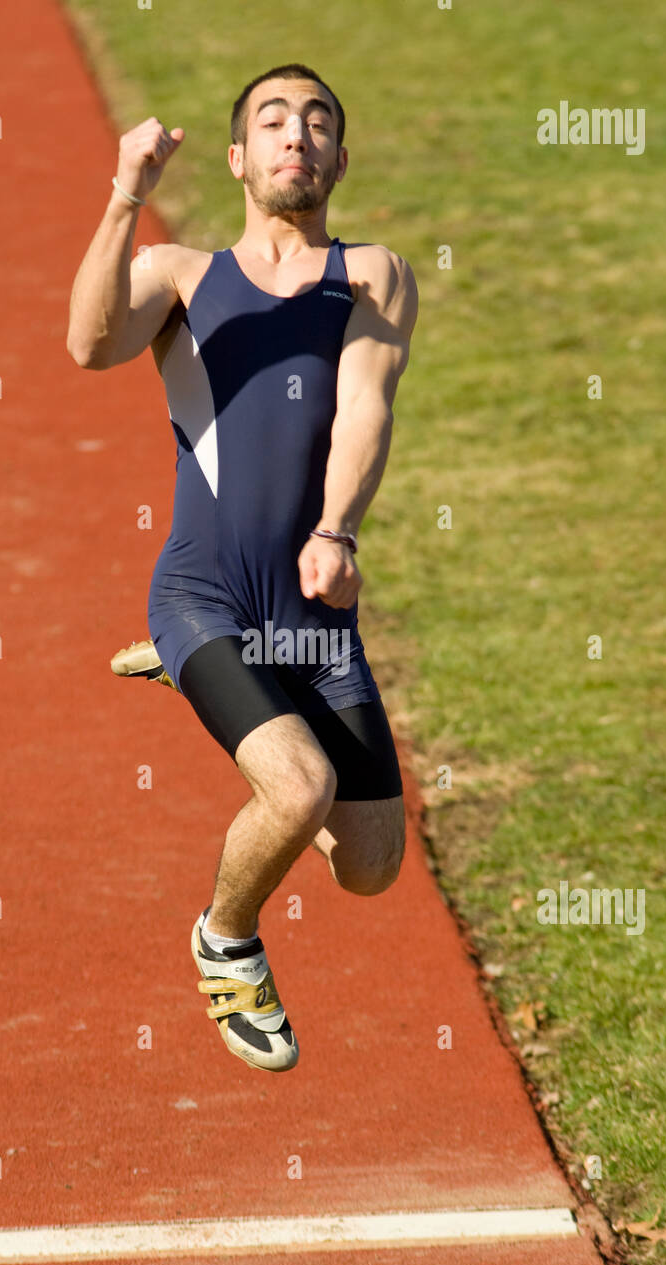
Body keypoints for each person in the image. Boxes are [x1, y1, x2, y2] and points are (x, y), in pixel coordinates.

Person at [67, 63, 418, 1073]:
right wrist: (125, 193)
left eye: (315, 122)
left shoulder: (373, 275)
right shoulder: (180, 275)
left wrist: (338, 529)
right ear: (236, 158)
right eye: (272, 120)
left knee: (371, 866)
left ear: (338, 159)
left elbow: (364, 408)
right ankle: (225, 938)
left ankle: (209, 678)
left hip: (310, 611)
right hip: (203, 593)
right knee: (297, 789)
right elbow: (88, 344)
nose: (293, 135)